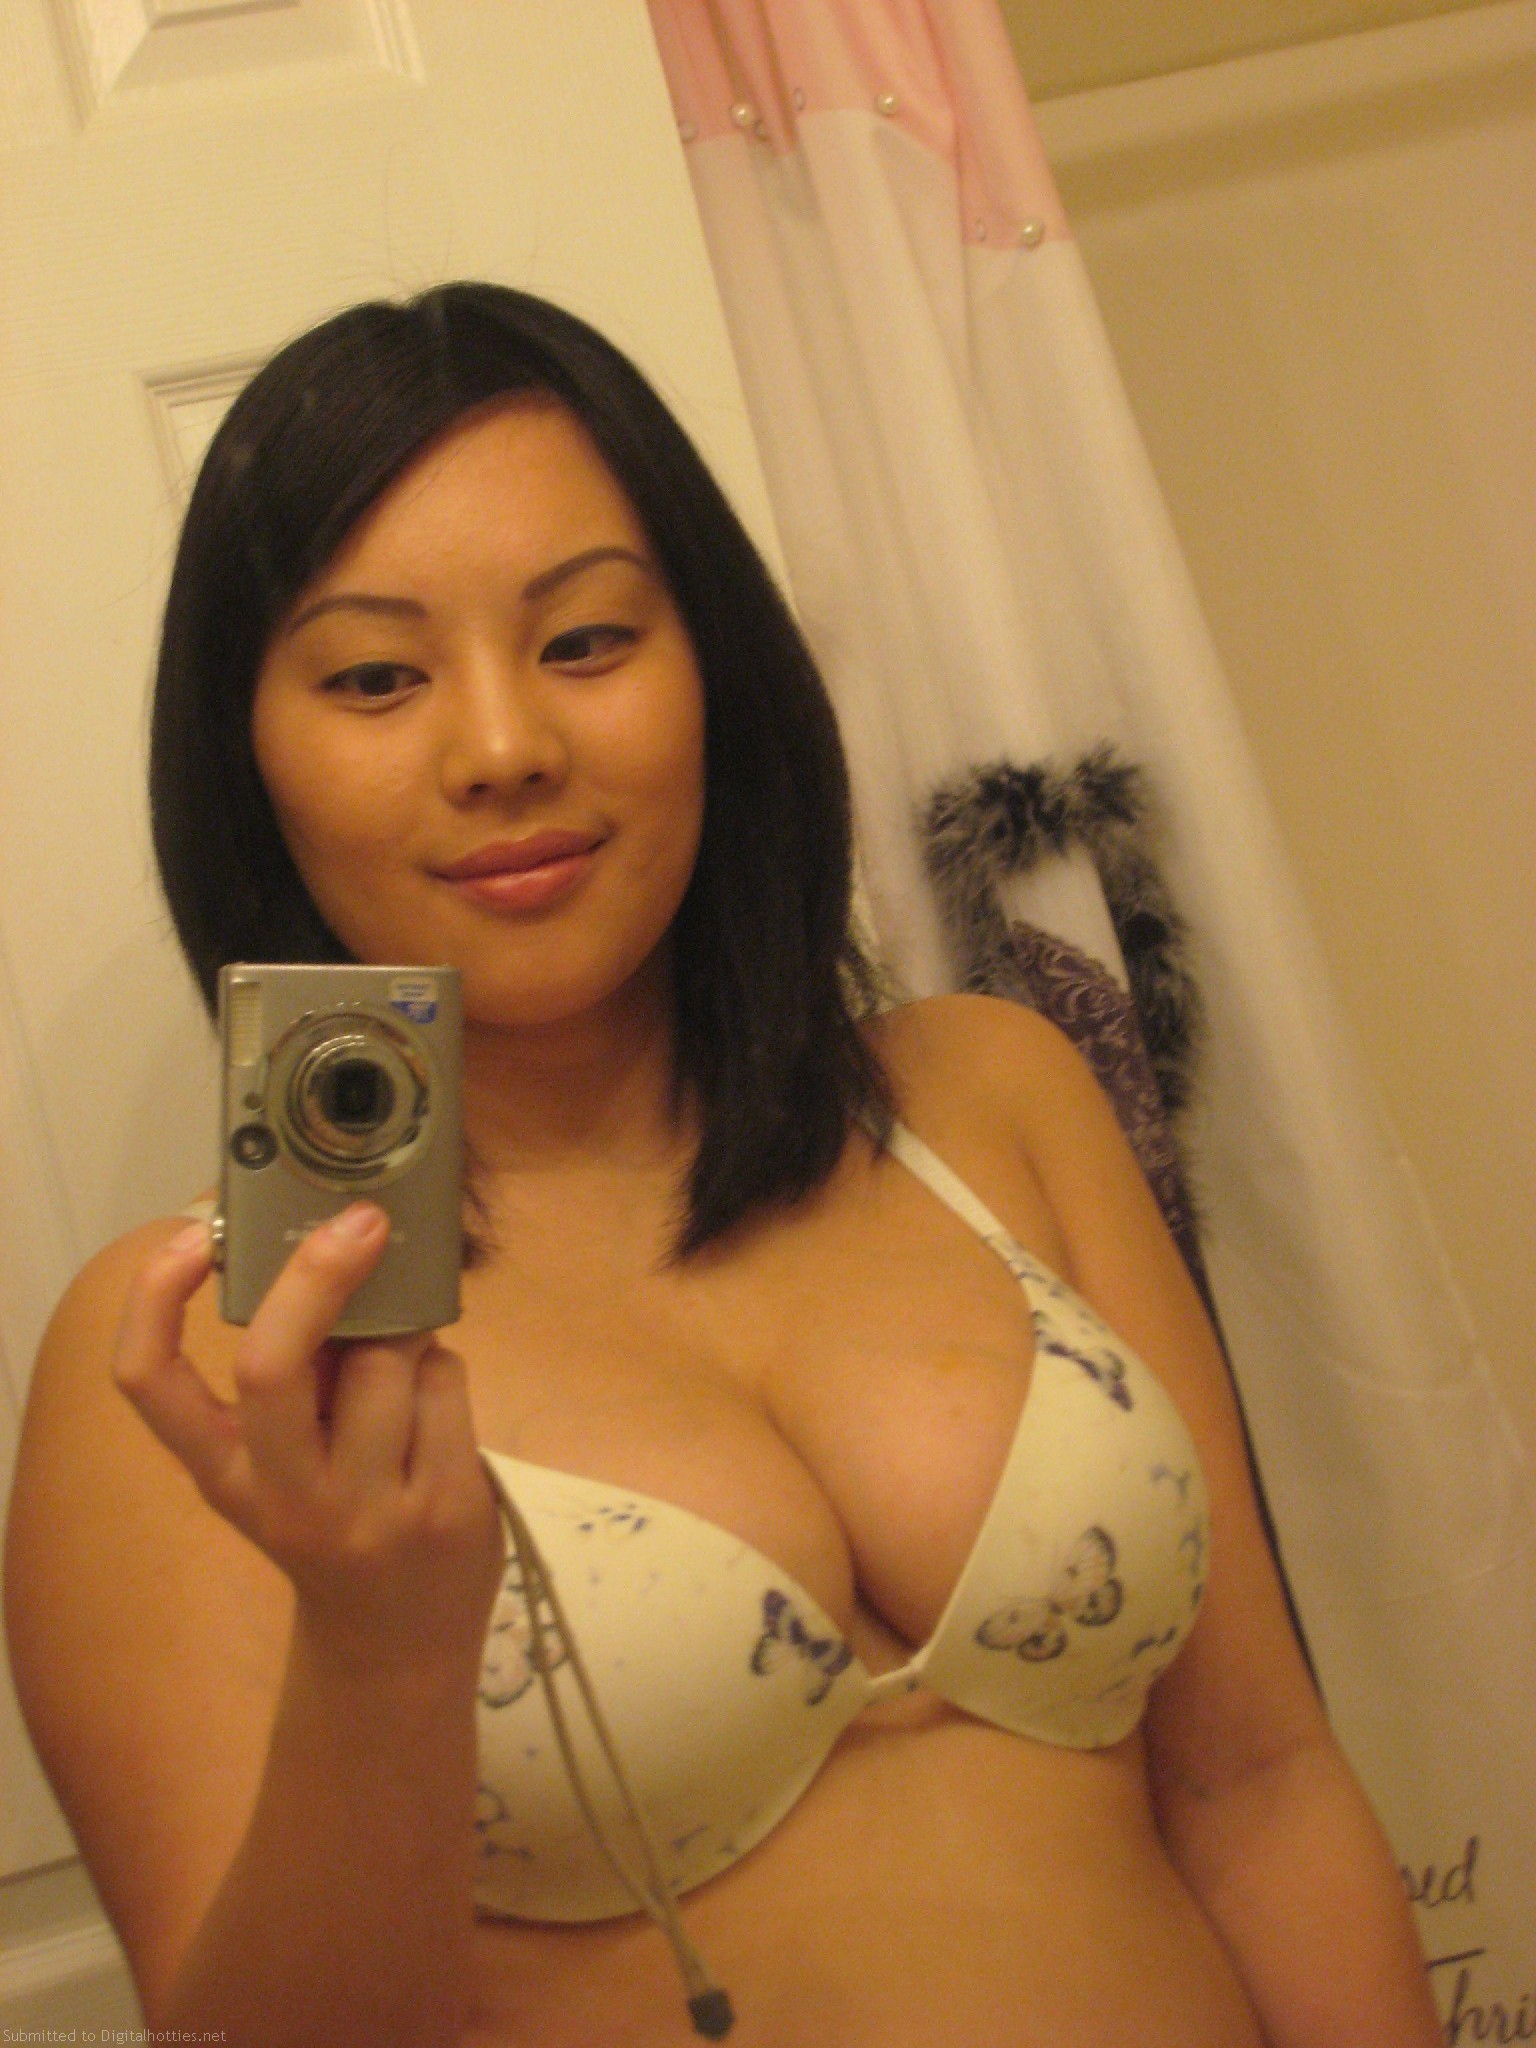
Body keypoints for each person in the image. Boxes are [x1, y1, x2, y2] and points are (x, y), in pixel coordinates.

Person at [4, 283, 1440, 2048]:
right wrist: (379, 1657)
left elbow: (1260, 1788)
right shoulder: (189, 1353)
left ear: (714, 671)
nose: (505, 747)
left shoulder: (992, 1097)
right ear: (249, 760)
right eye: (376, 677)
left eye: (586, 641)